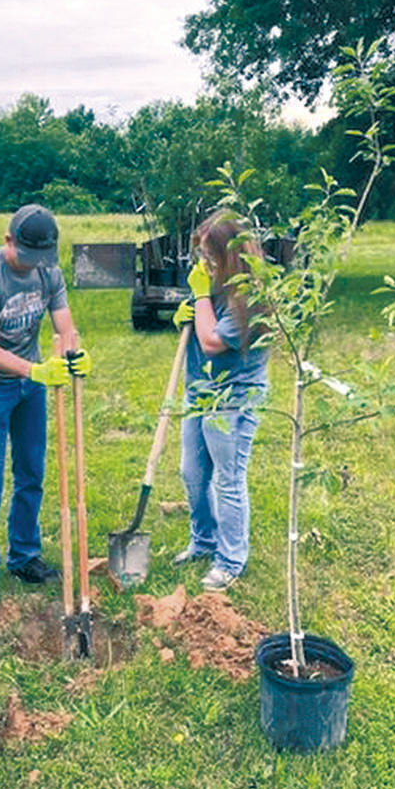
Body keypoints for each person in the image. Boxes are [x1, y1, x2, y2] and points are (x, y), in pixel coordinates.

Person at [0, 204, 92, 606]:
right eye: (28, 255)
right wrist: (34, 371)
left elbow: (64, 326)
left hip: (32, 385)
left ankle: (24, 556)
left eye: (42, 257)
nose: (35, 264)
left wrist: (74, 353)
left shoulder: (49, 272)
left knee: (31, 472)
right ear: (8, 241)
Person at [172, 211, 269, 591]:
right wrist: (189, 311)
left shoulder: (250, 294)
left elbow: (213, 343)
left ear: (232, 256)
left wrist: (197, 297)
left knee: (228, 479)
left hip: (234, 398)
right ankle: (204, 540)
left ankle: (230, 560)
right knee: (192, 474)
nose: (203, 263)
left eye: (210, 256)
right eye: (201, 255)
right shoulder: (213, 283)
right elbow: (200, 327)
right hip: (200, 392)